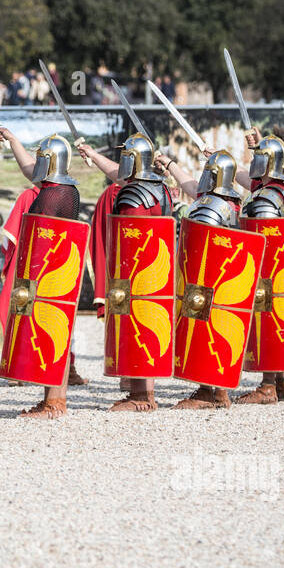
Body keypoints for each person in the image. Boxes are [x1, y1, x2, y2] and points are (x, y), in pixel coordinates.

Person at [0, 126, 82, 417]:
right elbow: (30, 170)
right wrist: (13, 140)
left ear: (48, 161)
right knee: (54, 335)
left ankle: (54, 402)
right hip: (53, 274)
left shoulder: (55, 194)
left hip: (51, 276)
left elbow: (45, 238)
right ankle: (53, 400)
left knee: (52, 335)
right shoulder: (60, 188)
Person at [89, 131, 173, 411]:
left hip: (135, 273)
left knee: (137, 323)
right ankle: (147, 393)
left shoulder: (130, 195)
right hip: (158, 273)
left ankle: (139, 396)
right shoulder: (161, 189)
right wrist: (92, 154)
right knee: (149, 322)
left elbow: (130, 241)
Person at [162, 150, 248, 409]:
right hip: (227, 279)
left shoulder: (210, 206)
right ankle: (213, 389)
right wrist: (169, 165)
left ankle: (212, 392)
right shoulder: (232, 204)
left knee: (205, 328)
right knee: (216, 330)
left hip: (208, 279)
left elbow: (202, 245)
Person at [229, 133, 284, 405]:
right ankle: (280, 381)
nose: (254, 161)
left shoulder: (267, 197)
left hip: (266, 272)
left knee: (267, 323)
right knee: (275, 322)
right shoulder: (282, 191)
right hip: (282, 273)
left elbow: (264, 239)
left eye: (258, 158)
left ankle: (268, 386)